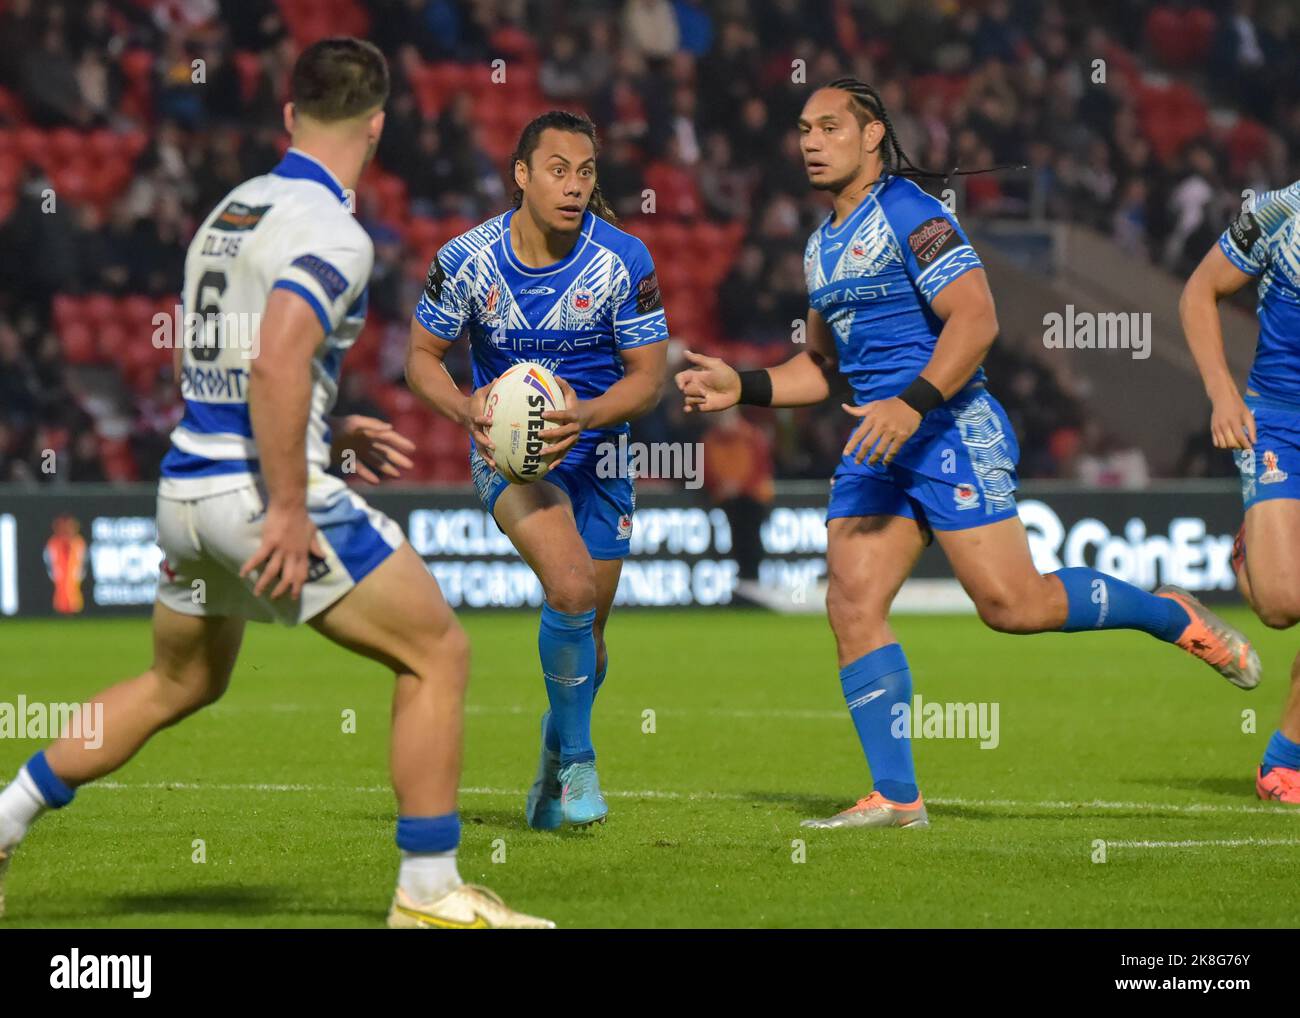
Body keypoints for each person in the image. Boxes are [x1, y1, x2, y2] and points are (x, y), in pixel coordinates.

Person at [0, 37, 552, 929]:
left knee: (177, 683)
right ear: (377, 128)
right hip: (258, 495)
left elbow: (216, 362)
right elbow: (278, 359)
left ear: (292, 114)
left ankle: (2, 821)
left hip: (188, 491)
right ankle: (427, 893)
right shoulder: (334, 232)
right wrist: (291, 504)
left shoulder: (230, 211)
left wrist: (323, 430)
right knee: (437, 652)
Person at [676, 78, 1260, 831]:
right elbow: (821, 367)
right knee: (850, 602)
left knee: (1013, 607)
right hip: (877, 442)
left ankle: (1165, 613)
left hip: (945, 427)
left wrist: (911, 402)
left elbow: (977, 320)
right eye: (804, 129)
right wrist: (745, 383)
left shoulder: (912, 214)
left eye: (829, 127)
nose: (811, 142)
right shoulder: (821, 245)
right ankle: (897, 796)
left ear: (873, 135)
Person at [406, 111, 669, 830]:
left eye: (586, 172)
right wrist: (466, 407)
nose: (574, 186)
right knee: (571, 584)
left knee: (591, 639)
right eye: (558, 170)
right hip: (514, 459)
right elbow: (420, 357)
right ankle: (580, 762)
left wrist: (587, 414)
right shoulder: (467, 259)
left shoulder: (624, 260)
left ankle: (551, 766)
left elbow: (649, 380)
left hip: (601, 454)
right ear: (521, 174)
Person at [1180, 181, 1300, 804]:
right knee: (1279, 608)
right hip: (1279, 420)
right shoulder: (1282, 211)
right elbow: (1200, 290)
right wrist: (1223, 393)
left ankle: (1285, 760)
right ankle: (1250, 553)